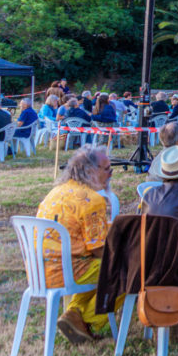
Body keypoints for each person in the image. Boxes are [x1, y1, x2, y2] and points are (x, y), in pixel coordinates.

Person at [35, 146, 113, 343]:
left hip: (40, 271)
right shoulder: (93, 200)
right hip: (71, 270)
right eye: (107, 169)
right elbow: (97, 249)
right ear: (91, 170)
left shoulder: (56, 192)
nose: (110, 174)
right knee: (127, 270)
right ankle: (87, 322)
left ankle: (74, 313)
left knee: (109, 266)